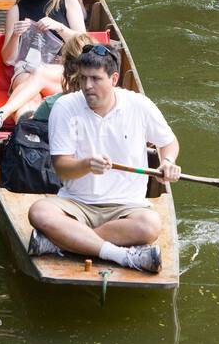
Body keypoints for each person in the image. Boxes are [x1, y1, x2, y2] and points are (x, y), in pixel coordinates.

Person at [28, 44, 181, 274]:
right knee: (39, 212)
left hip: (126, 207)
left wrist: (168, 161)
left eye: (96, 79)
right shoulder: (65, 107)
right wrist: (87, 164)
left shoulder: (139, 105)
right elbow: (62, 169)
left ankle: (63, 243)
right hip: (76, 204)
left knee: (150, 225)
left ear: (114, 78)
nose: (87, 86)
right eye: (83, 78)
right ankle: (122, 256)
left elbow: (168, 142)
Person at [0, 0, 85, 133]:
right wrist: (15, 36)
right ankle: (28, 136)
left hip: (63, 70)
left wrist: (59, 28)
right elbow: (8, 59)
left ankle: (1, 113)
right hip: (26, 67)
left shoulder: (68, 1)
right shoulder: (16, 10)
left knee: (38, 73)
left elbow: (85, 45)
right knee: (28, 92)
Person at [0, 30, 96, 132]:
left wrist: (59, 28)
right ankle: (21, 122)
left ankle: (3, 115)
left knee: (40, 73)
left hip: (78, 80)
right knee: (32, 96)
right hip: (71, 78)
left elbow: (82, 37)